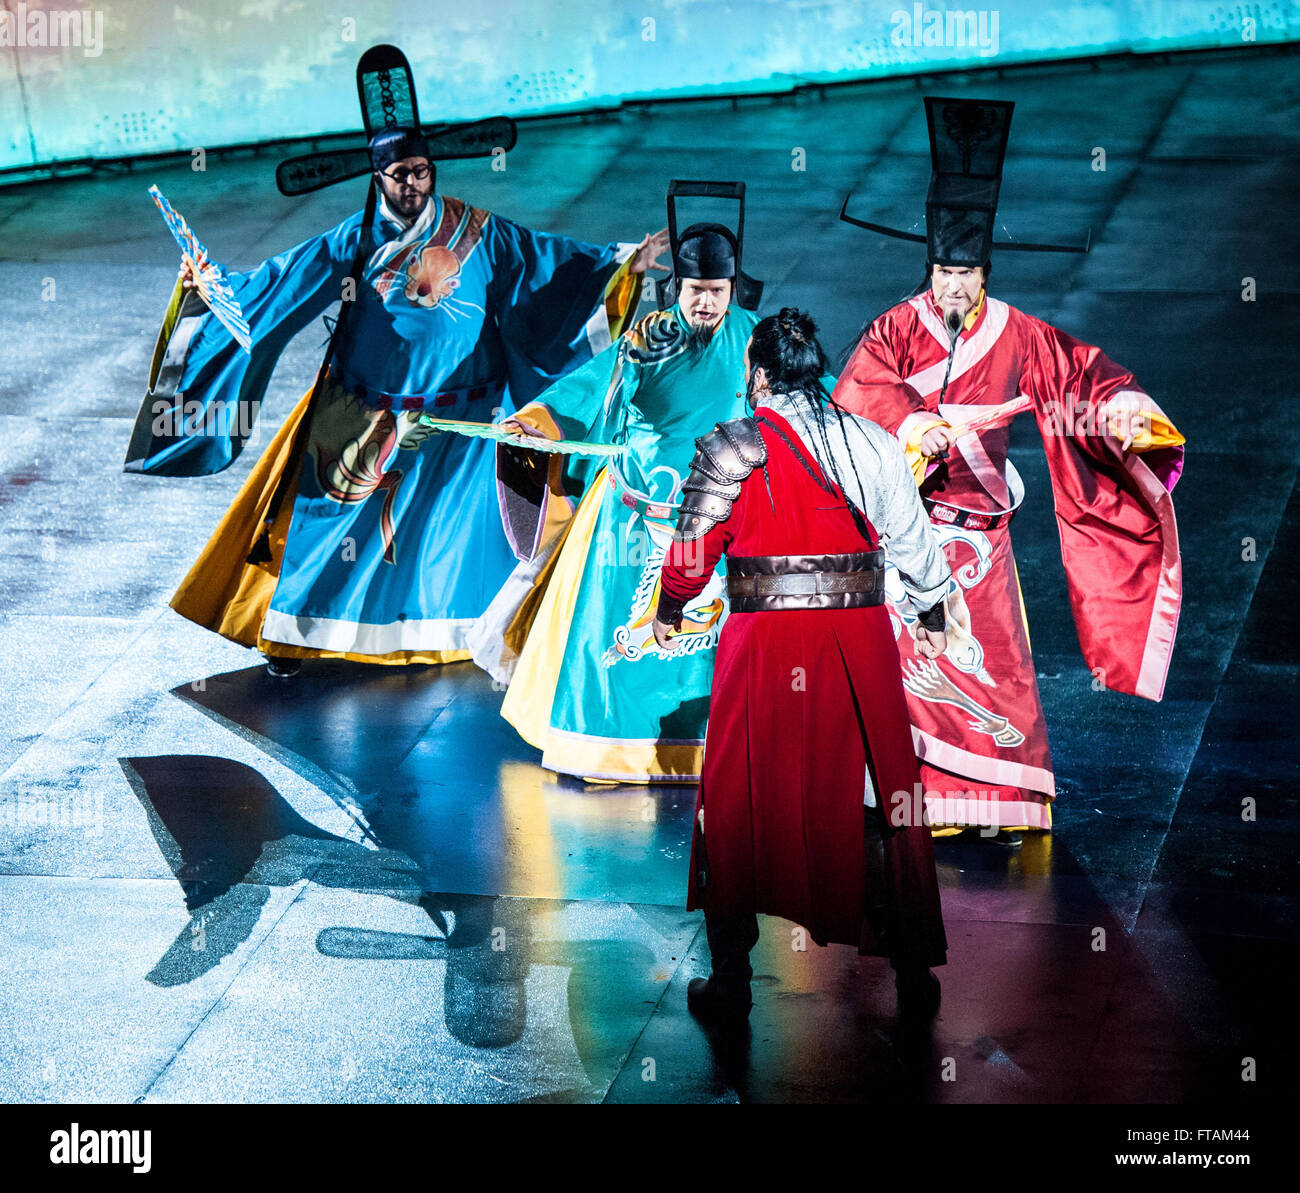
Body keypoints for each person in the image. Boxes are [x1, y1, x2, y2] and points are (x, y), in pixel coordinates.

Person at [125, 122, 665, 674]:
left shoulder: (478, 230)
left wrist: (622, 264)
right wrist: (214, 287)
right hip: (368, 417)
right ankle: (293, 634)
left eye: (422, 171)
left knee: (452, 538)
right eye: (400, 174)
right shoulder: (354, 238)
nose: (413, 183)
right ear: (378, 177)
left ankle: (462, 632)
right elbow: (283, 282)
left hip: (463, 419)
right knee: (328, 530)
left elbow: (546, 265)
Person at [833, 97, 1184, 841]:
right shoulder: (896, 327)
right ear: (927, 267)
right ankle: (903, 794)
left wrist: (1123, 410)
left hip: (982, 535)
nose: (952, 288)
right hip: (913, 531)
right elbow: (859, 388)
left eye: (965, 274)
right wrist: (912, 422)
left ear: (985, 272)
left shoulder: (1019, 334)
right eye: (941, 272)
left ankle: (999, 801)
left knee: (995, 667)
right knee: (904, 669)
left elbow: (1083, 376)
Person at [651, 308, 958, 1020]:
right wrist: (933, 611)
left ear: (755, 374)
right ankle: (912, 968)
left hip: (764, 650)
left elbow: (692, 556)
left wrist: (670, 606)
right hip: (859, 642)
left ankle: (731, 982)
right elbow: (913, 543)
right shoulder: (874, 444)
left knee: (737, 802)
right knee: (883, 798)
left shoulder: (733, 446)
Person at [474, 187, 763, 783]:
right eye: (694, 291)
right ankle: (603, 749)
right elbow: (588, 387)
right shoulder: (649, 339)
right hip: (639, 514)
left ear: (733, 289)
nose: (705, 303)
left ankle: (713, 746)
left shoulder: (755, 338)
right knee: (615, 639)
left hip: (719, 513)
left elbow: (808, 397)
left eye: (716, 292)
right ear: (676, 288)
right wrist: (535, 421)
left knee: (709, 644)